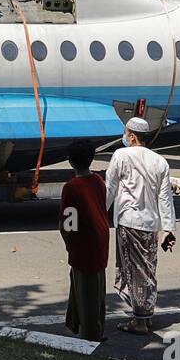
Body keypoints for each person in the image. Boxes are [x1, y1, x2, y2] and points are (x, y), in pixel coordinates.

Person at [105, 118, 177, 336]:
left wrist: (99, 213)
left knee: (134, 272)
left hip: (129, 221)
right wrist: (168, 228)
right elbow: (165, 198)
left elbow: (110, 187)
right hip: (151, 225)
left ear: (132, 136)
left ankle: (139, 321)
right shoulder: (160, 161)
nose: (125, 137)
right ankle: (145, 315)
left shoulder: (121, 155)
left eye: (126, 133)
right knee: (147, 270)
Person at [58, 141, 109, 341]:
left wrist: (69, 244)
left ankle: (90, 335)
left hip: (83, 245)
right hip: (100, 242)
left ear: (70, 162)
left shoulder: (71, 187)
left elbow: (68, 222)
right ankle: (82, 324)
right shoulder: (98, 180)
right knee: (96, 291)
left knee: (87, 293)